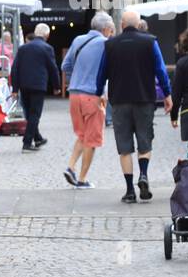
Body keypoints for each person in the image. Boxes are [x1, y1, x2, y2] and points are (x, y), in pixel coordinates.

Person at [95, 9, 173, 203]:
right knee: (144, 141)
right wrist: (167, 94)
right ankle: (144, 175)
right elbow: (160, 70)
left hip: (119, 100)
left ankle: (130, 190)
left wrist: (98, 94)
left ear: (121, 24)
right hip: (144, 98)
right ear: (139, 25)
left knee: (125, 147)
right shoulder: (150, 42)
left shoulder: (110, 45)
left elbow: (102, 72)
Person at [61, 12, 114, 187]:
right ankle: (82, 179)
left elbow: (65, 66)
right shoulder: (107, 45)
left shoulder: (78, 40)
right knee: (91, 139)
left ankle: (70, 167)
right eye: (112, 30)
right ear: (106, 28)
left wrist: (78, 76)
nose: (112, 33)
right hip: (93, 95)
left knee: (82, 135)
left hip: (74, 93)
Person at [9, 23, 61, 152]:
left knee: (29, 114)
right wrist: (56, 86)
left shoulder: (23, 49)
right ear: (47, 35)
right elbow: (53, 68)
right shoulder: (47, 48)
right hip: (38, 85)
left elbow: (15, 69)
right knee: (35, 114)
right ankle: (27, 143)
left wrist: (15, 88)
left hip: (24, 85)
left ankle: (37, 138)